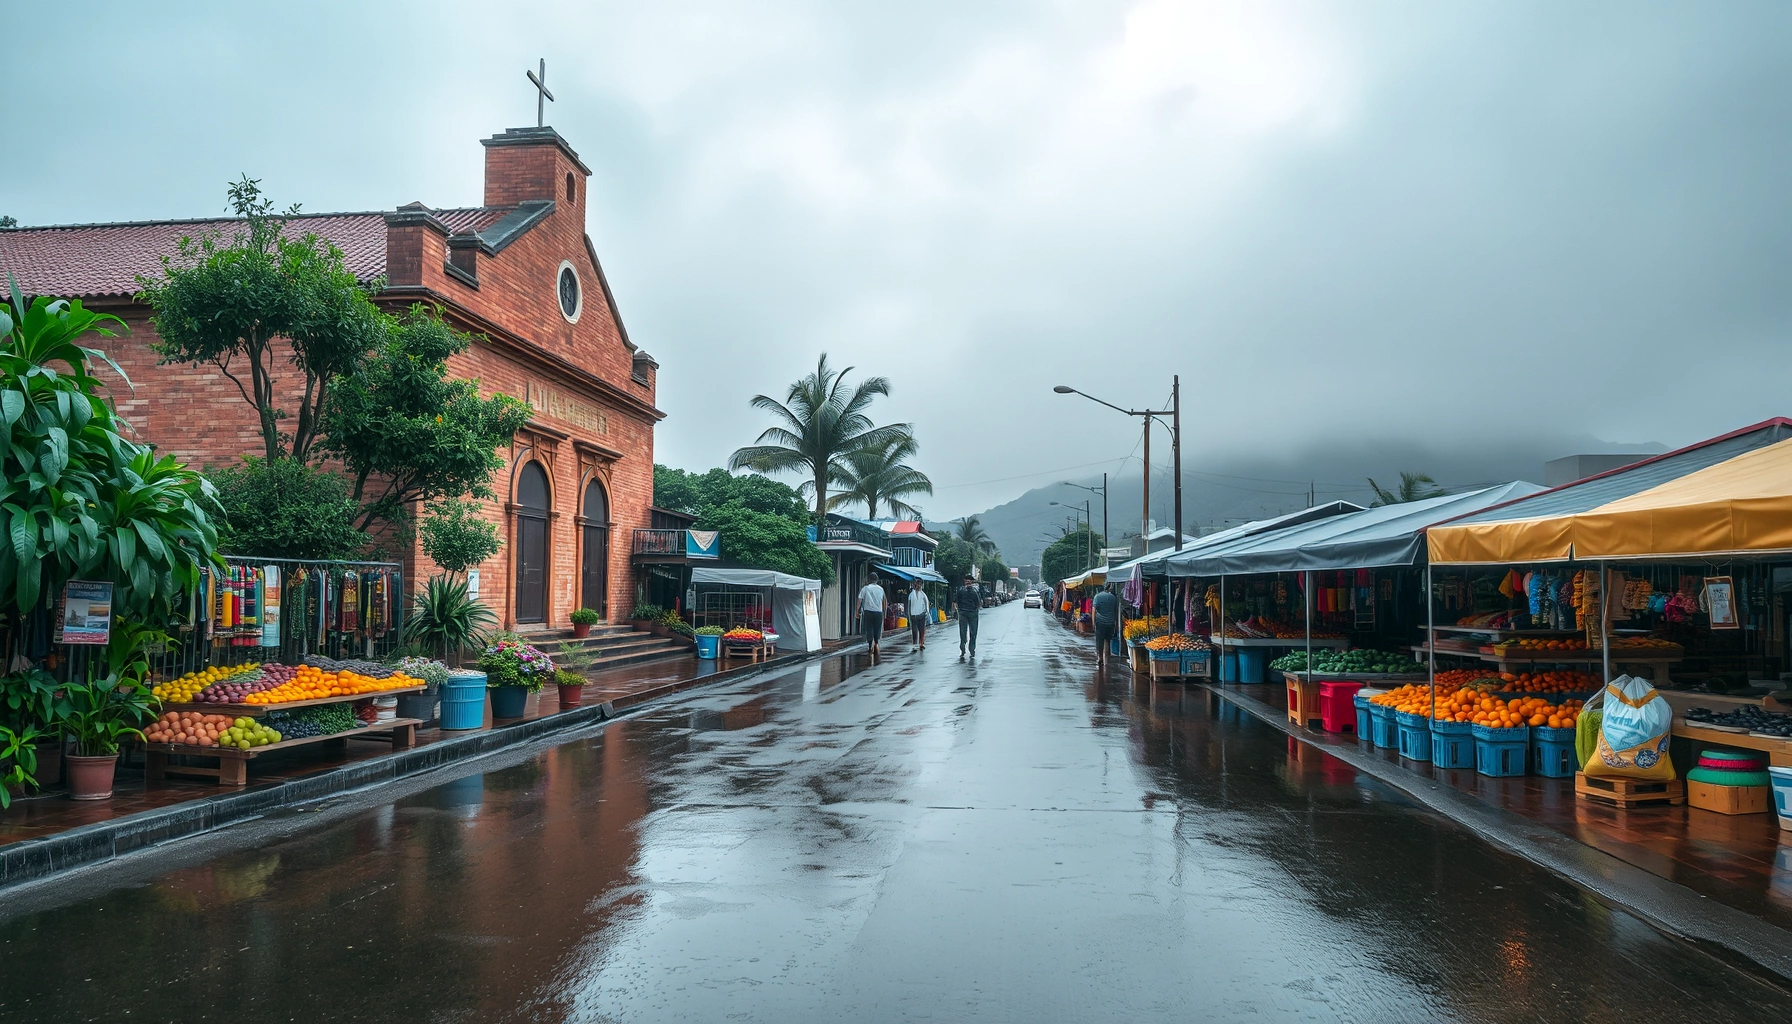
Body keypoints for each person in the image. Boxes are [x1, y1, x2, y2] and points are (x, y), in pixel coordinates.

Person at [954, 575, 982, 660]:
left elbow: (955, 602)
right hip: (972, 613)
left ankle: (963, 646)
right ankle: (971, 649)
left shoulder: (960, 590)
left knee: (963, 631)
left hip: (963, 613)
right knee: (973, 632)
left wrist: (957, 610)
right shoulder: (975, 591)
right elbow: (979, 602)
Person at [857, 577, 887, 656]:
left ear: (869, 580)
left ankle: (870, 645)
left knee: (869, 628)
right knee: (877, 628)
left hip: (868, 612)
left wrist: (857, 611)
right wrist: (884, 612)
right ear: (877, 580)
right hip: (878, 612)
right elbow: (884, 601)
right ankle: (876, 643)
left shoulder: (865, 588)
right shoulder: (881, 589)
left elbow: (859, 599)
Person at [1091, 587, 1120, 666]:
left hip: (1100, 622)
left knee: (1100, 640)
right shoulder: (1113, 598)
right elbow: (1116, 612)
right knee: (1108, 640)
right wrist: (1117, 624)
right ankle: (1107, 657)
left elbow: (1093, 610)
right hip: (1111, 622)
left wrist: (1093, 623)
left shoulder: (1097, 597)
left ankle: (1100, 657)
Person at [906, 580, 930, 650]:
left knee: (922, 630)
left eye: (920, 584)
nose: (918, 585)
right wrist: (909, 615)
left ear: (921, 585)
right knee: (914, 631)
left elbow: (926, 604)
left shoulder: (923, 594)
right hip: (913, 615)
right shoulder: (911, 595)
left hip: (922, 615)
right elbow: (909, 606)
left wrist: (927, 612)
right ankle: (914, 645)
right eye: (917, 584)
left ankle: (921, 643)